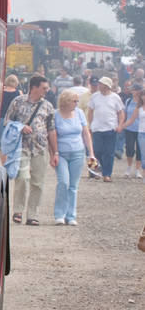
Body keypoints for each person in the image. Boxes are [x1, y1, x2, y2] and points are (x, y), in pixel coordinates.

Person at [5, 73, 58, 225]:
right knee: (22, 178)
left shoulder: (47, 106)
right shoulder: (18, 102)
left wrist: (55, 152)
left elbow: (51, 130)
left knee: (38, 183)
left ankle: (32, 214)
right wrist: (20, 127)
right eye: (44, 88)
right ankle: (18, 210)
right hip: (21, 147)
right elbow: (7, 121)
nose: (46, 91)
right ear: (34, 87)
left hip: (40, 148)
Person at [52, 89, 95, 225]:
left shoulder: (80, 113)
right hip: (62, 152)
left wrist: (91, 153)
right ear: (66, 101)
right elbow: (51, 136)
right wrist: (53, 153)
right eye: (74, 101)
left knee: (73, 186)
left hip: (78, 151)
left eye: (77, 101)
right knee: (63, 182)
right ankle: (59, 213)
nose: (77, 103)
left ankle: (71, 216)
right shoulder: (55, 115)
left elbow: (86, 133)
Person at [87, 75, 125, 181]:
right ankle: (94, 172)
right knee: (95, 151)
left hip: (110, 128)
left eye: (101, 85)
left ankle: (107, 174)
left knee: (109, 152)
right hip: (97, 128)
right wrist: (90, 124)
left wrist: (120, 125)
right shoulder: (94, 96)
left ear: (107, 86)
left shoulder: (115, 97)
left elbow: (121, 112)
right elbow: (90, 111)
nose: (99, 86)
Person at [123, 86, 145, 179]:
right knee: (130, 148)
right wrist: (121, 126)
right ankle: (129, 167)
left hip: (140, 130)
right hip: (132, 129)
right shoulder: (129, 102)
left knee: (141, 152)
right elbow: (129, 118)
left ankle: (138, 169)